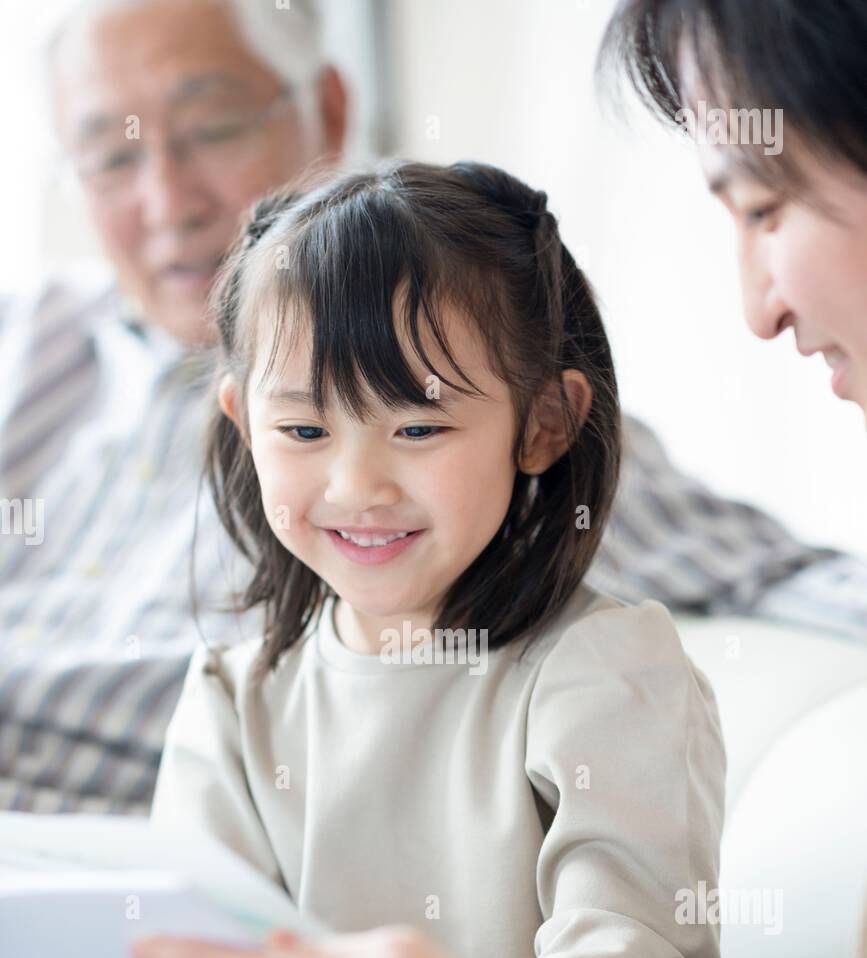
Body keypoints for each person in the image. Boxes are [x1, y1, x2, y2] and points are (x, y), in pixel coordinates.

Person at [3, 0, 863, 958]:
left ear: (542, 425)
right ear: (239, 424)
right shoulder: (238, 691)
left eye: (412, 429)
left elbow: (643, 933)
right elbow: (196, 949)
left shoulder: (596, 666)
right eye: (301, 432)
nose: (356, 484)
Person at [1, 0, 864, 823]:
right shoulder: (30, 341)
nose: (167, 201)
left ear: (330, 109)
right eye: (112, 157)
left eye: (213, 128)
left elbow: (776, 572)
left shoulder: (465, 381)